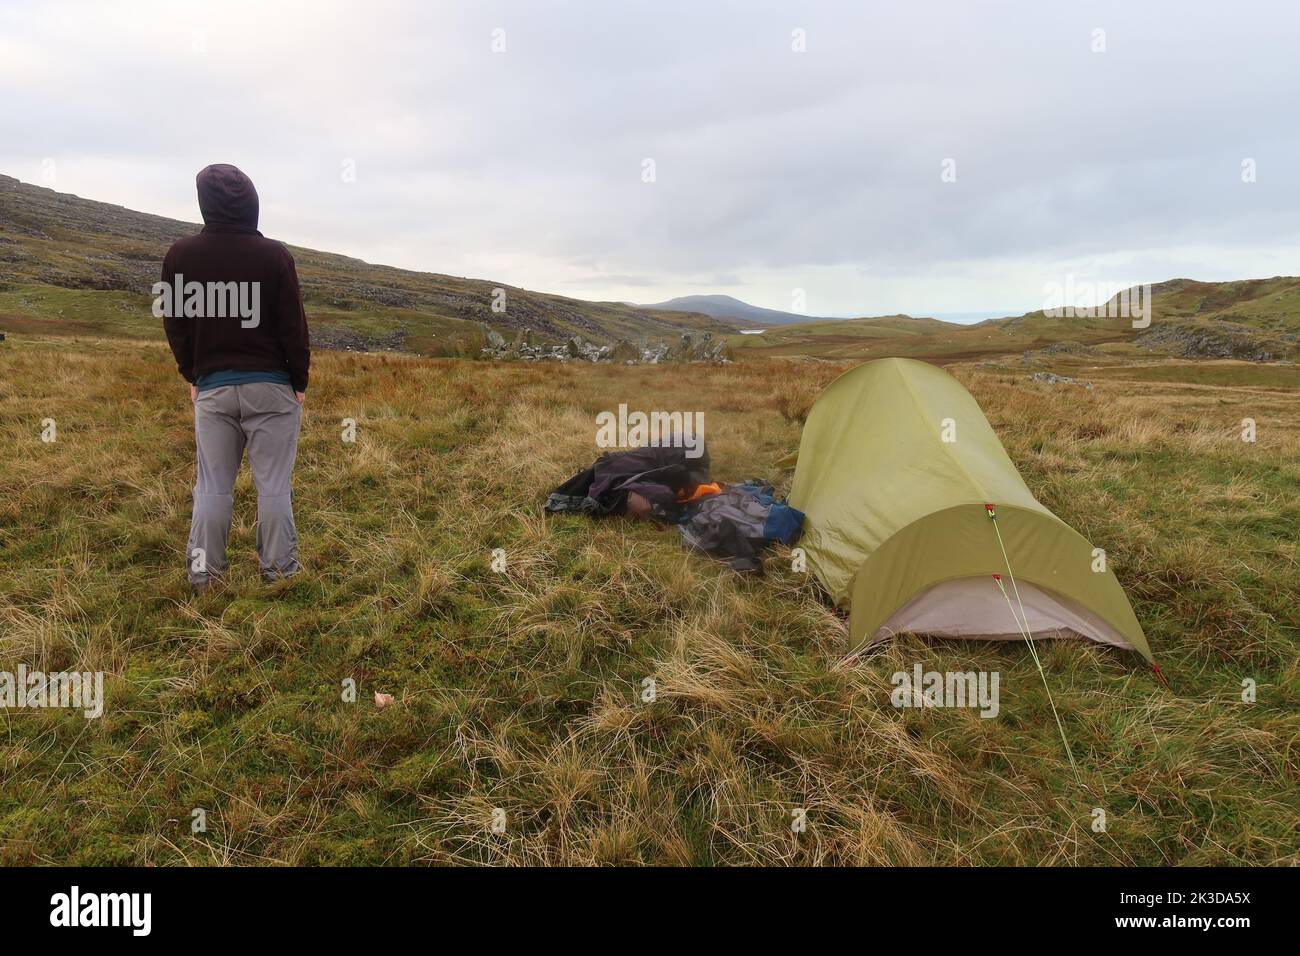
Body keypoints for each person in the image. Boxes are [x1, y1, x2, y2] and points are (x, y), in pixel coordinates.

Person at [160, 164, 311, 590]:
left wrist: (193, 373)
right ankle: (280, 574)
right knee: (274, 487)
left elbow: (177, 323)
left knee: (212, 488)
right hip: (272, 387)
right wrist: (298, 381)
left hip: (213, 388)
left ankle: (204, 577)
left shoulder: (179, 256)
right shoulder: (276, 256)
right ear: (251, 202)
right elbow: (293, 327)